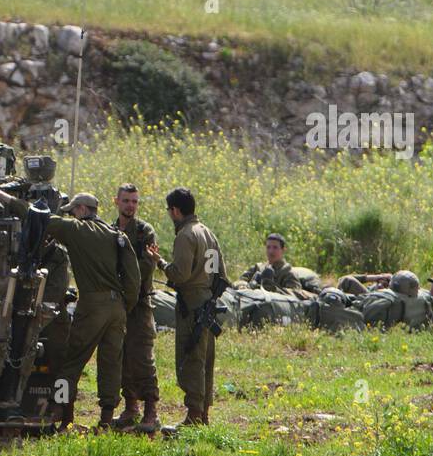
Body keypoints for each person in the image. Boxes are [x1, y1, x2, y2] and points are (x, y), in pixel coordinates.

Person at [0, 184, 139, 429]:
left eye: (73, 211)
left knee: (71, 362)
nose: (71, 215)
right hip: (117, 307)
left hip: (92, 305)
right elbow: (133, 278)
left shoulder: (77, 229)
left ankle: (60, 412)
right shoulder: (116, 235)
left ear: (81, 209)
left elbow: (36, 216)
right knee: (111, 363)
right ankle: (105, 418)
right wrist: (125, 306)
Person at [146, 187, 226, 428]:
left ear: (176, 210)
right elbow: (220, 273)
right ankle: (203, 415)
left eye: (170, 210)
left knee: (191, 357)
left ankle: (193, 416)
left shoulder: (185, 235)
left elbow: (179, 274)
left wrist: (158, 261)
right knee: (205, 359)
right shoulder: (207, 233)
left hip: (191, 303)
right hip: (209, 302)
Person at [112, 184, 161, 432]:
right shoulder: (110, 230)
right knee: (121, 356)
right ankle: (131, 407)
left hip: (140, 303)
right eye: (126, 201)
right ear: (117, 202)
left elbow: (146, 267)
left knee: (142, 355)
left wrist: (120, 278)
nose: (130, 205)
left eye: (134, 201)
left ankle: (151, 410)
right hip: (118, 304)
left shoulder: (144, 232)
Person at [239, 233, 311, 296]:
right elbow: (240, 281)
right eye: (268, 247)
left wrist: (274, 290)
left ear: (283, 250)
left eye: (275, 247)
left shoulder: (288, 272)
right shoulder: (258, 267)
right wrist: (244, 286)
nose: (271, 251)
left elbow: (295, 293)